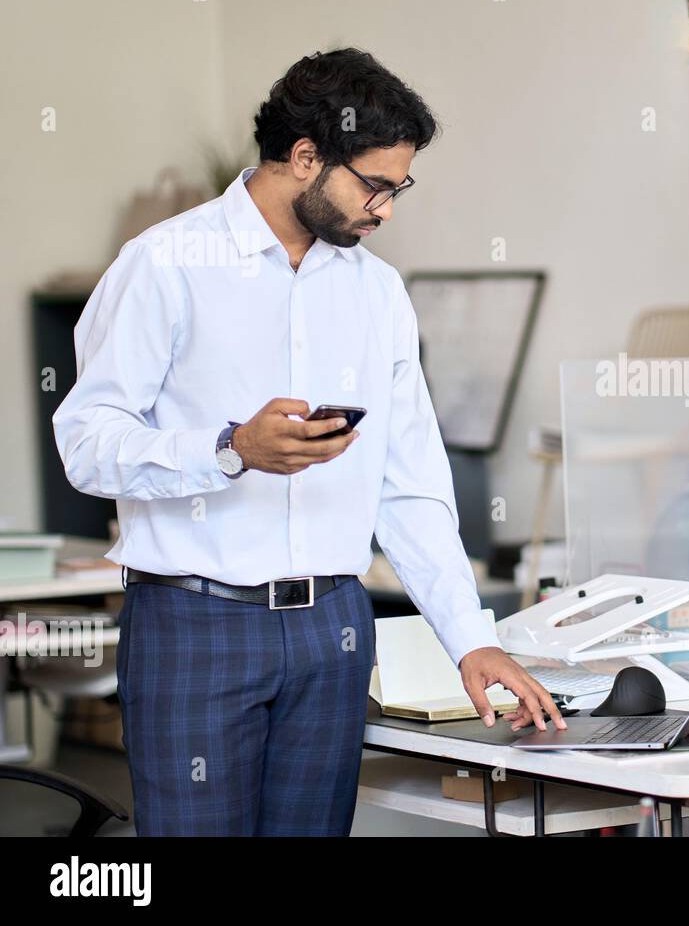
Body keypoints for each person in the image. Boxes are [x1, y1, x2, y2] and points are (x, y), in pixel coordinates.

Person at [51, 48, 565, 836]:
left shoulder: (377, 293)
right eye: (376, 185)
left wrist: (470, 638)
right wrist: (230, 449)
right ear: (303, 158)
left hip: (333, 632)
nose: (387, 209)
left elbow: (411, 484)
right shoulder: (164, 265)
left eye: (400, 188)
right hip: (195, 629)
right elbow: (86, 443)